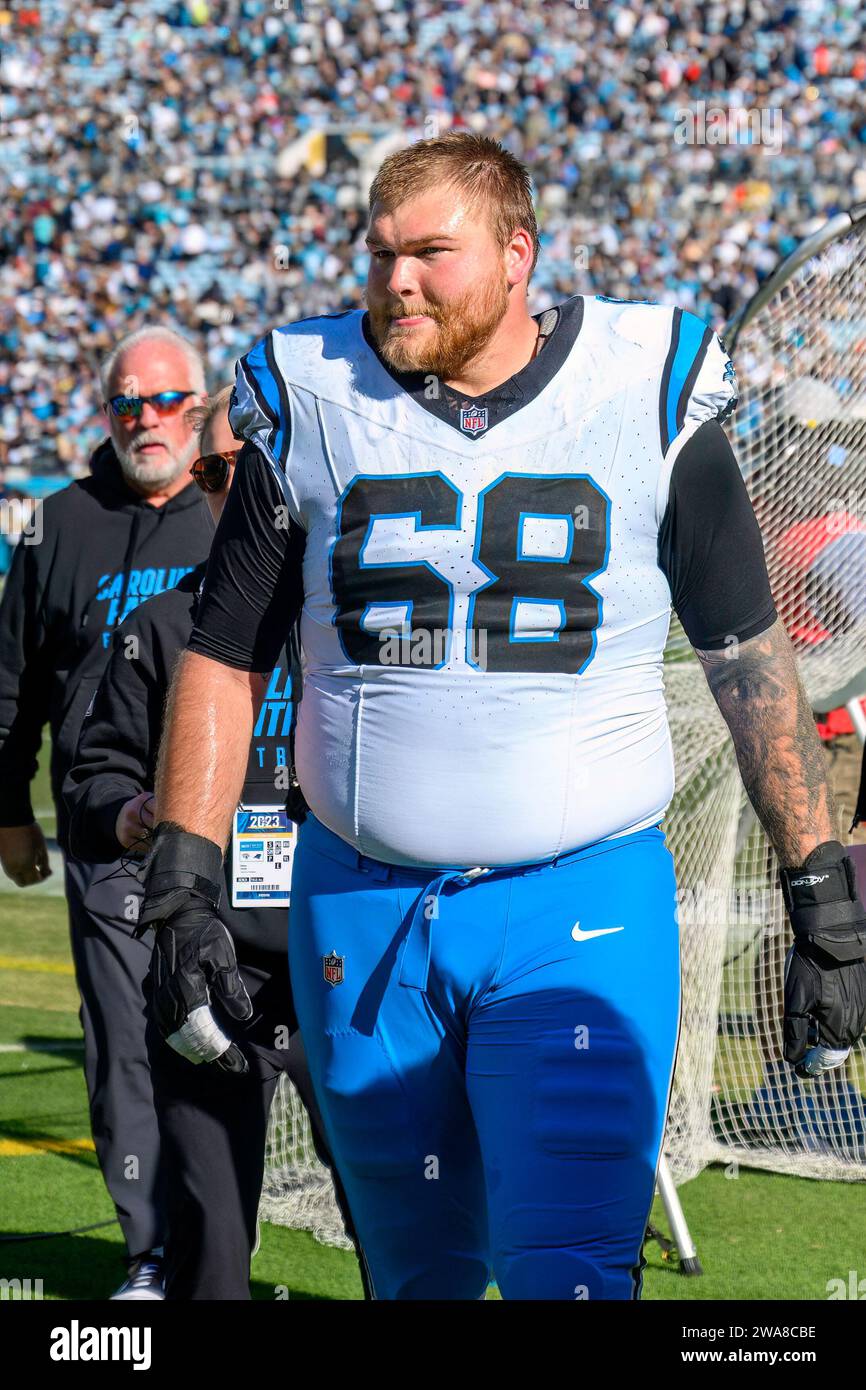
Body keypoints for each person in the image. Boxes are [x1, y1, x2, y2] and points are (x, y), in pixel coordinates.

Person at [136, 132, 866, 1300]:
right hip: (363, 910)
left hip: (578, 904)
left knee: (568, 1276)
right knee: (415, 1278)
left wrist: (815, 880)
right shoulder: (312, 394)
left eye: (431, 252)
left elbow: (742, 654)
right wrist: (181, 878)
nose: (395, 283)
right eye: (379, 255)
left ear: (517, 253)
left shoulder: (642, 384)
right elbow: (225, 653)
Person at [64, 388, 366, 1300]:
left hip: (348, 964)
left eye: (241, 468)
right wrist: (127, 814)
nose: (220, 488)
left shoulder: (361, 622)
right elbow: (92, 774)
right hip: (203, 962)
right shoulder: (159, 627)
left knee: (400, 1228)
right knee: (211, 1257)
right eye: (208, 472)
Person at [0, 325, 214, 1299]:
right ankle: (151, 1249)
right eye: (127, 403)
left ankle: (231, 1227)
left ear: (198, 404)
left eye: (166, 400)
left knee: (241, 1037)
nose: (146, 420)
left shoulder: (234, 513)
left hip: (230, 834)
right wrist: (8, 809)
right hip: (103, 835)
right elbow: (12, 684)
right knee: (125, 1045)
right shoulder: (58, 524)